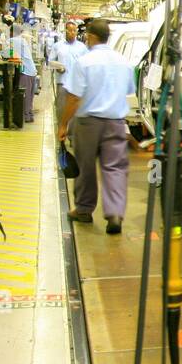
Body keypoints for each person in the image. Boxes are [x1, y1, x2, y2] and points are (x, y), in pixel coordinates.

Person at [59, 18, 135, 235]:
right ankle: (115, 214)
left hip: (88, 123)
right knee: (115, 168)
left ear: (91, 36)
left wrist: (63, 124)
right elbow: (129, 91)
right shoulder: (124, 62)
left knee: (85, 167)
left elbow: (74, 97)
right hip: (116, 123)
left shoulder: (84, 62)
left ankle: (84, 210)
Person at [53, 19, 89, 117]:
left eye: (74, 30)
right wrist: (57, 67)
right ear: (65, 31)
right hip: (62, 83)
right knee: (61, 110)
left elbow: (87, 64)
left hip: (77, 83)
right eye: (70, 30)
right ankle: (61, 126)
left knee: (75, 110)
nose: (72, 33)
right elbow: (51, 61)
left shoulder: (82, 48)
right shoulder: (57, 46)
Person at [9, 26, 37, 124]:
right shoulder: (23, 40)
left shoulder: (13, 40)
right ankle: (29, 115)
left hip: (26, 71)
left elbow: (5, 53)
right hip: (32, 71)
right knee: (29, 96)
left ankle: (26, 117)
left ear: (12, 32)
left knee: (24, 95)